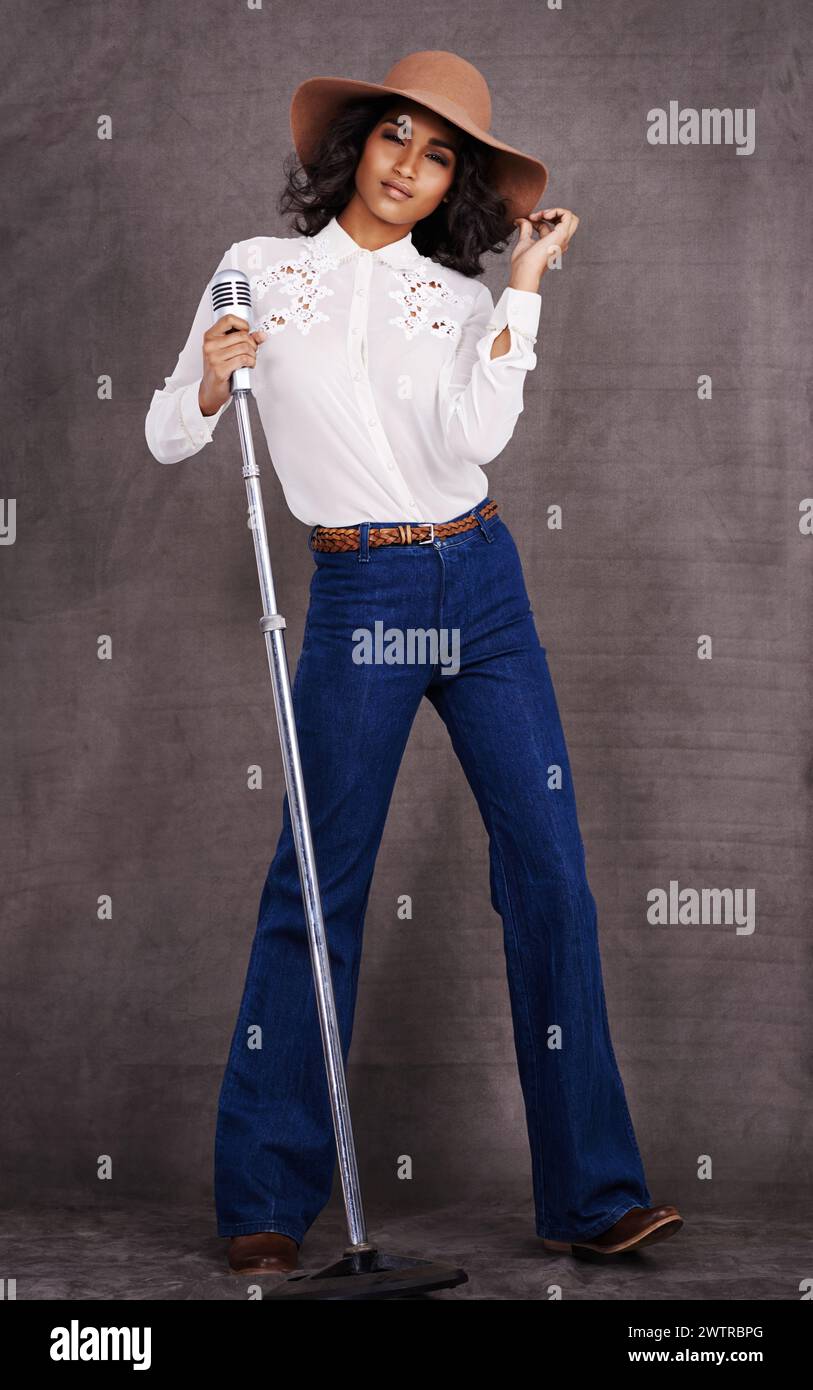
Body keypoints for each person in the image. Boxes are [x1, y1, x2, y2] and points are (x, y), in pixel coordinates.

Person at [145, 50, 682, 1278]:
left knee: (550, 872)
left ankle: (592, 1194)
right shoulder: (257, 271)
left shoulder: (462, 299)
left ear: (457, 188)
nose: (409, 167)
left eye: (441, 157)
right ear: (358, 144)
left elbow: (477, 435)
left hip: (480, 581)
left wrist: (528, 287)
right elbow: (169, 431)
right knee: (318, 884)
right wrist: (214, 382)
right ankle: (265, 1199)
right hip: (367, 585)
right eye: (397, 137)